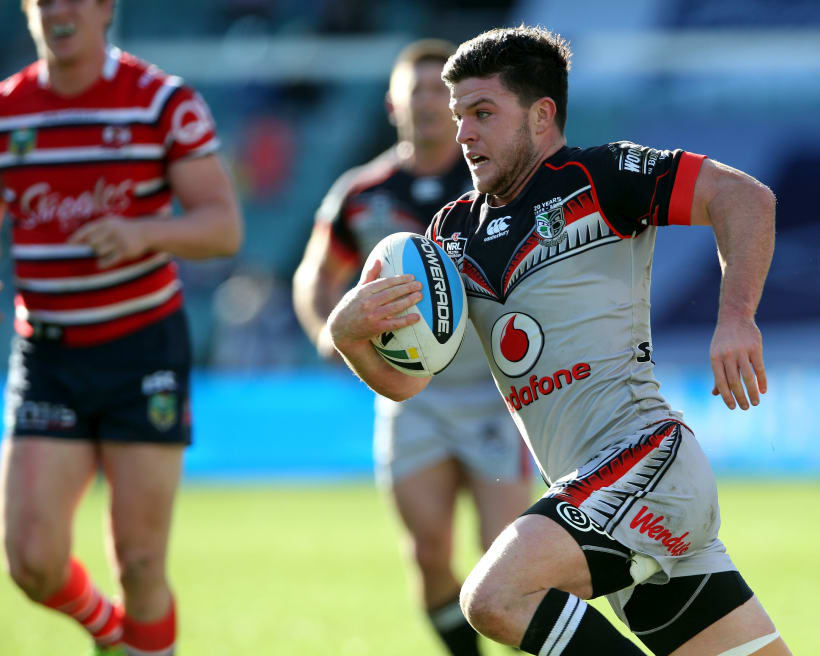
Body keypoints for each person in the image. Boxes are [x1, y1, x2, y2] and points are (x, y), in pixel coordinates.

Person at [327, 26, 791, 656]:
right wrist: (350, 335)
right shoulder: (451, 233)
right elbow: (409, 382)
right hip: (602, 499)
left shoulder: (602, 175)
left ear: (542, 115)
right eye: (460, 114)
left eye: (483, 113)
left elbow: (743, 197)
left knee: (493, 598)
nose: (462, 133)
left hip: (644, 464)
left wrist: (736, 316)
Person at [0, 1, 242, 654]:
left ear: (106, 7)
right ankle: (111, 634)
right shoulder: (8, 110)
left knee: (138, 562)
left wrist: (142, 232)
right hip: (47, 356)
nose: (60, 10)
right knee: (30, 561)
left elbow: (223, 227)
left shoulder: (161, 101)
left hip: (142, 351)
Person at [292, 39, 532, 656]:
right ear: (391, 102)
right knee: (428, 558)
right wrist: (330, 332)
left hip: (496, 396)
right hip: (409, 399)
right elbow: (315, 277)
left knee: (508, 556)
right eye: (415, 90)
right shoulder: (361, 192)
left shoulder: (498, 183)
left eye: (440, 93)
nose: (428, 103)